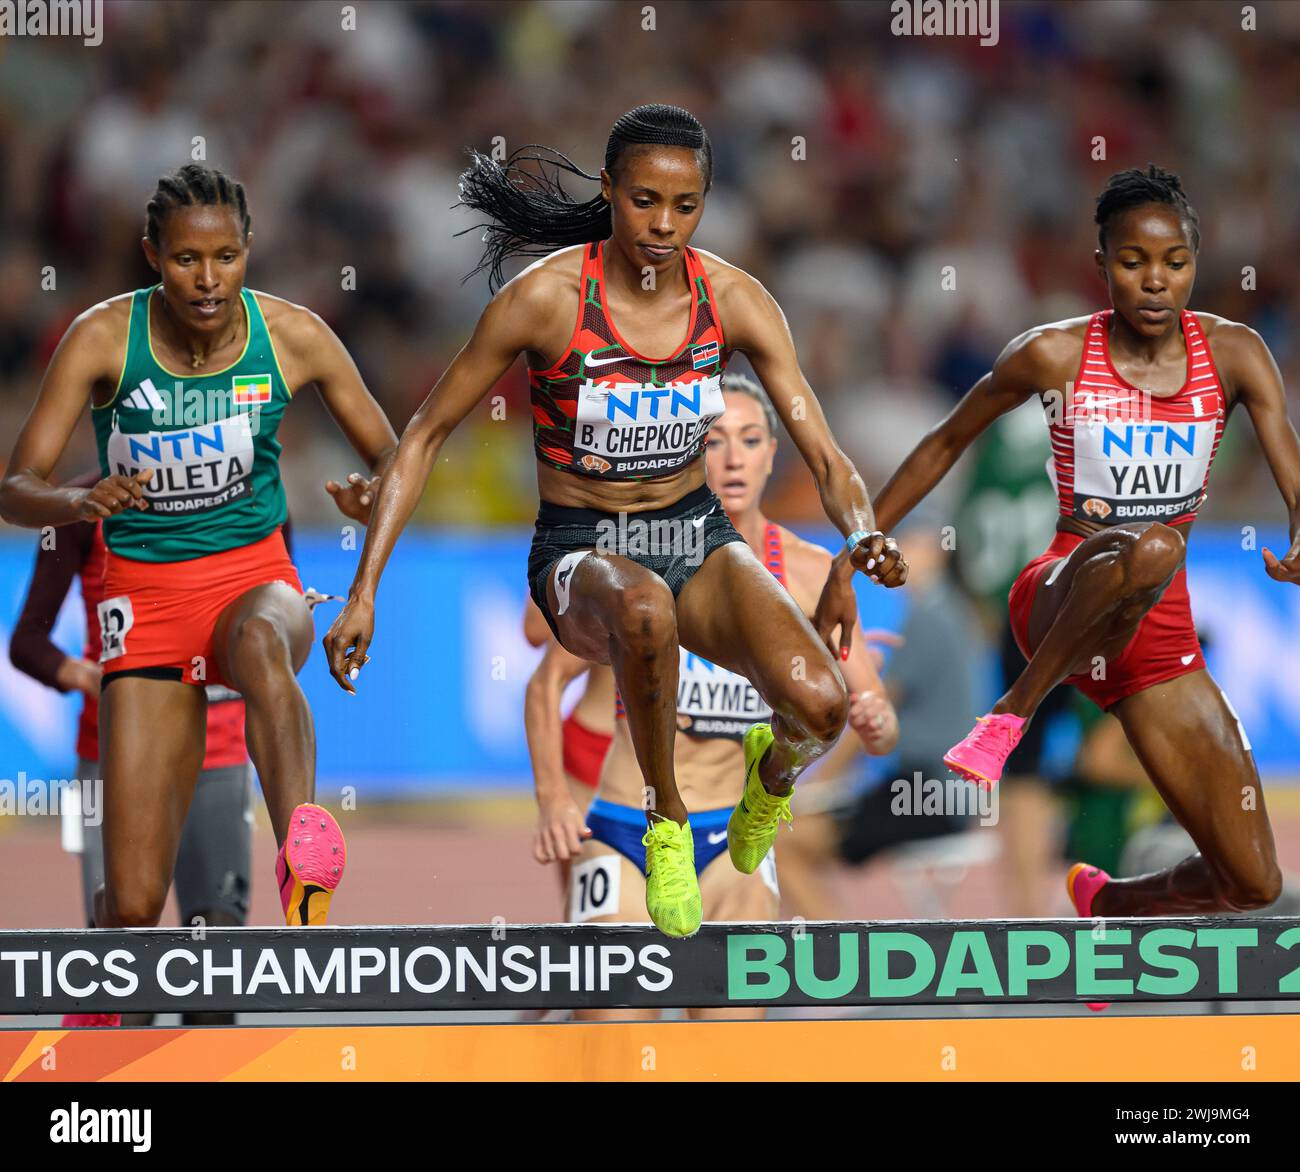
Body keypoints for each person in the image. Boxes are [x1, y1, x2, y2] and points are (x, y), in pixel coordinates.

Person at [323, 105, 907, 938]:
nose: (663, 226)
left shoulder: (733, 300)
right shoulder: (545, 300)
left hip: (693, 535)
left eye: (685, 206)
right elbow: (423, 437)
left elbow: (823, 449)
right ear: (609, 190)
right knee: (641, 608)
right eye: (643, 202)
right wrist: (365, 587)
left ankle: (766, 783)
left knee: (819, 705)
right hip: (581, 549)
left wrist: (861, 535)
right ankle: (666, 817)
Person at [835, 165, 1296, 922]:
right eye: (1132, 262)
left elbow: (1289, 458)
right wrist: (860, 537)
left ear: (1196, 263)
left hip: (1156, 634)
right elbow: (944, 442)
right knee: (1151, 547)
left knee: (1253, 882)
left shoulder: (1236, 354)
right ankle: (1010, 715)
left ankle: (1109, 901)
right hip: (1059, 592)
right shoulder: (1052, 354)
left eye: (1174, 264)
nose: (1154, 282)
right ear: (1101, 265)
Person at [0, 165, 397, 983]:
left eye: (225, 257)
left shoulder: (293, 337)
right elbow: (15, 486)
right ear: (152, 255)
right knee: (136, 907)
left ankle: (304, 853)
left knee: (260, 642)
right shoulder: (105, 338)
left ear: (249, 250)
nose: (208, 280)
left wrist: (369, 503)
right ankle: (102, 1016)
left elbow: (397, 455)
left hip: (253, 572)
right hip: (143, 601)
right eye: (186, 259)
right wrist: (76, 507)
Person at [538, 374, 897, 1021]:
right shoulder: (642, 566)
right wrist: (553, 797)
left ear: (769, 456)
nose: (732, 458)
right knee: (615, 1033)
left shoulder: (810, 569)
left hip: (733, 845)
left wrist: (874, 720)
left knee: (729, 1042)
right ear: (688, 455)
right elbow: (546, 667)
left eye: (750, 440)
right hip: (627, 830)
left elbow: (875, 721)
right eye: (715, 440)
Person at [10, 470, 255, 1027]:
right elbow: (27, 641)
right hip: (110, 757)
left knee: (215, 964)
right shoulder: (79, 506)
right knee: (121, 960)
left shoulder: (251, 488)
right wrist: (83, 674)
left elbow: (273, 602)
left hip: (216, 753)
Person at [523, 598, 614, 897]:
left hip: (706, 767)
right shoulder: (628, 563)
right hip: (599, 757)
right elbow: (535, 631)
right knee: (593, 929)